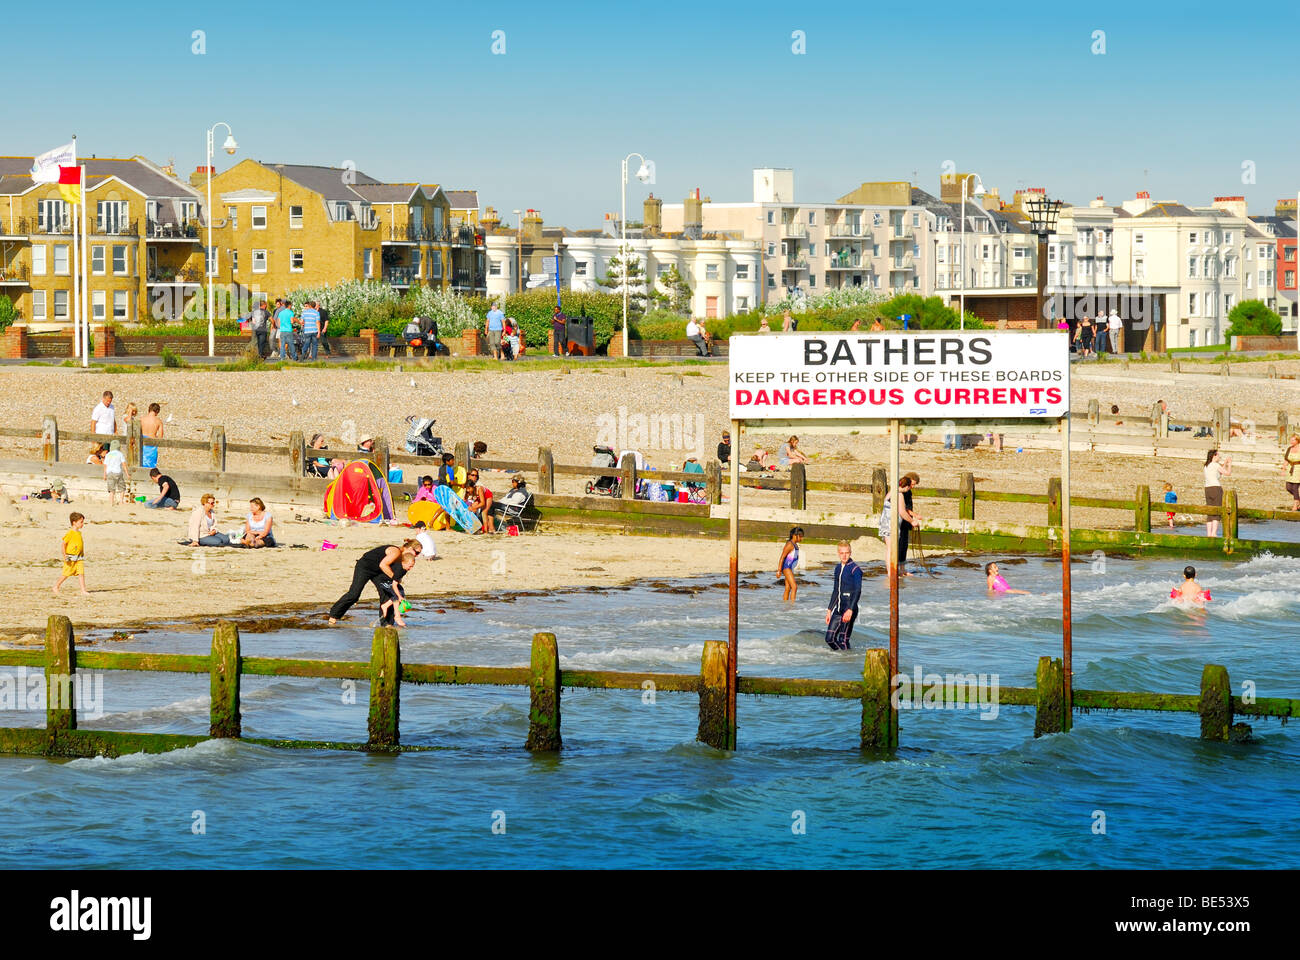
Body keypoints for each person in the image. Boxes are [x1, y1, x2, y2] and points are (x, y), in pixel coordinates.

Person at [328, 540, 422, 624]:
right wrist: (395, 578)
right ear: (409, 548)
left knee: (387, 594)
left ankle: (387, 624)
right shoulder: (396, 552)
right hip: (365, 567)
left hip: (378, 572)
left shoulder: (404, 558)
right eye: (417, 552)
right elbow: (383, 565)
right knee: (354, 594)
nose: (417, 555)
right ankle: (334, 615)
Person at [824, 540, 862, 651]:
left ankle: (848, 662)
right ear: (838, 553)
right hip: (839, 609)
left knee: (843, 640)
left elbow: (858, 590)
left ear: (850, 553)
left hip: (849, 609)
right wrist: (829, 610)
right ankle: (840, 659)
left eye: (847, 553)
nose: (844, 555)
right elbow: (836, 590)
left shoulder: (855, 569)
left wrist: (850, 609)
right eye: (842, 553)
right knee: (829, 639)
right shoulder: (837, 568)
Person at [883, 473, 922, 575]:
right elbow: (902, 511)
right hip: (892, 524)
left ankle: (892, 572)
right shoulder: (899, 495)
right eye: (910, 486)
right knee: (893, 548)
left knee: (891, 548)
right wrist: (912, 521)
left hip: (886, 523)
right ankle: (892, 572)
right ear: (906, 485)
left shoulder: (891, 493)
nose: (910, 488)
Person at [52, 512, 89, 596]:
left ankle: (83, 590)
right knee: (66, 573)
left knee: (81, 573)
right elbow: (63, 544)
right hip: (70, 557)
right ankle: (56, 586)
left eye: (83, 522)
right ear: (74, 522)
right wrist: (65, 555)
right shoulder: (70, 533)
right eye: (81, 522)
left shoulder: (79, 533)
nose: (82, 524)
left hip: (79, 557)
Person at [377, 554, 417, 627]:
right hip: (383, 581)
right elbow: (394, 585)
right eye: (410, 566)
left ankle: (385, 605)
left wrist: (400, 595)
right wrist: (399, 596)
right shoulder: (400, 569)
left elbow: (397, 581)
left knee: (401, 591)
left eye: (412, 566)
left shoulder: (404, 569)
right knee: (397, 595)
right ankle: (397, 616)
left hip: (391, 581)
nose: (411, 568)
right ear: (403, 562)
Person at [1204, 449, 1231, 537]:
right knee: (1217, 510)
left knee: (1210, 511)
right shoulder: (1215, 465)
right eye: (1218, 455)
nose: (1219, 457)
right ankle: (1214, 533)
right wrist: (1229, 464)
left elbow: (1219, 473)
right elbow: (1227, 473)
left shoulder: (1206, 466)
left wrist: (1225, 463)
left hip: (1207, 488)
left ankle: (1209, 534)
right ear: (1214, 456)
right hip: (1216, 488)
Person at [777, 527, 803, 602]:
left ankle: (785, 604)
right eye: (800, 536)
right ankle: (792, 606)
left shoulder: (795, 545)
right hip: (786, 567)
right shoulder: (789, 544)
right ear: (795, 535)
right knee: (794, 587)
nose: (802, 538)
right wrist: (779, 570)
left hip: (790, 568)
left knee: (788, 588)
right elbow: (782, 557)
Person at [103, 439, 129, 507]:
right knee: (122, 488)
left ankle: (111, 503)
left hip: (110, 473)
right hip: (118, 472)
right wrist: (127, 474)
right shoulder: (120, 454)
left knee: (111, 490)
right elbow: (124, 464)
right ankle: (121, 501)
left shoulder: (108, 454)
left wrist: (104, 475)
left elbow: (105, 465)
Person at [140, 402, 163, 468]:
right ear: (157, 411)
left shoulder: (142, 419)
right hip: (152, 444)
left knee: (140, 463)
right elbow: (160, 436)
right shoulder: (158, 421)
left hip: (142, 442)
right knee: (151, 466)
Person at [1284, 434, 1300, 511]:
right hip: (1290, 469)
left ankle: (1295, 504)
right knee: (1288, 487)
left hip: (1298, 469)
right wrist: (1283, 468)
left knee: (1295, 487)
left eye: (1293, 440)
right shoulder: (1289, 448)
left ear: (1297, 441)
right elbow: (1286, 459)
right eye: (1291, 440)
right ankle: (1298, 500)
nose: (1291, 441)